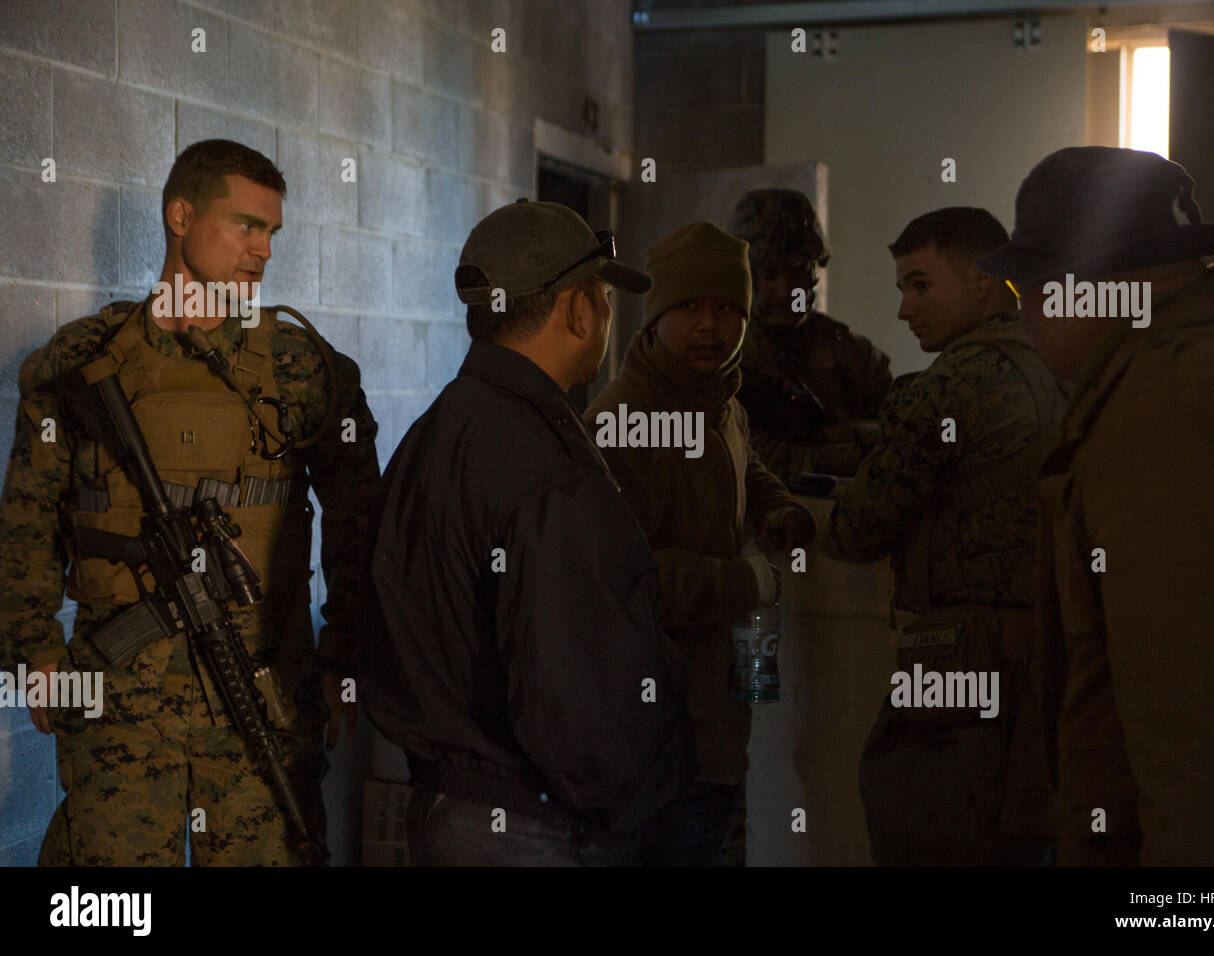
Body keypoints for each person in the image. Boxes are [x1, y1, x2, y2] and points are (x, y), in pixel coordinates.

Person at [0, 139, 379, 865]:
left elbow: (363, 519)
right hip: (118, 705)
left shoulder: (304, 371)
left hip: (264, 696)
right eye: (245, 225)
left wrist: (345, 658)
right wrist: (34, 651)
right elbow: (26, 518)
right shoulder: (80, 362)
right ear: (180, 215)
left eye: (272, 232)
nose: (263, 250)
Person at [975, 146, 1214, 866]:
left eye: (1027, 284)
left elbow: (1201, 726)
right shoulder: (1184, 371)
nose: (1023, 309)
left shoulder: (1173, 402)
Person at [362, 199, 695, 867]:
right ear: (577, 310)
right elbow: (578, 708)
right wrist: (632, 807)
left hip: (443, 812)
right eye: (600, 297)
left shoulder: (431, 435)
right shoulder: (551, 470)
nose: (604, 315)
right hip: (533, 831)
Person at [825, 206, 1067, 866]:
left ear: (986, 281)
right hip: (1055, 661)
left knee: (929, 834)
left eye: (921, 284)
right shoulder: (1059, 366)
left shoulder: (953, 384)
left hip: (960, 668)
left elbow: (855, 529)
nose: (904, 308)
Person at [584, 221, 816, 866]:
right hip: (652, 742)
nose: (709, 325)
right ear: (655, 316)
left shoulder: (720, 402)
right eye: (688, 306)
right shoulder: (628, 419)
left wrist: (780, 505)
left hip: (714, 720)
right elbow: (624, 583)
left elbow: (745, 465)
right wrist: (750, 582)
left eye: (725, 308)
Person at [728, 188, 893, 483]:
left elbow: (903, 436)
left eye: (800, 270)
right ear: (746, 275)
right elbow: (756, 460)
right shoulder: (727, 354)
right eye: (770, 273)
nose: (787, 289)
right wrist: (857, 444)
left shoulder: (849, 349)